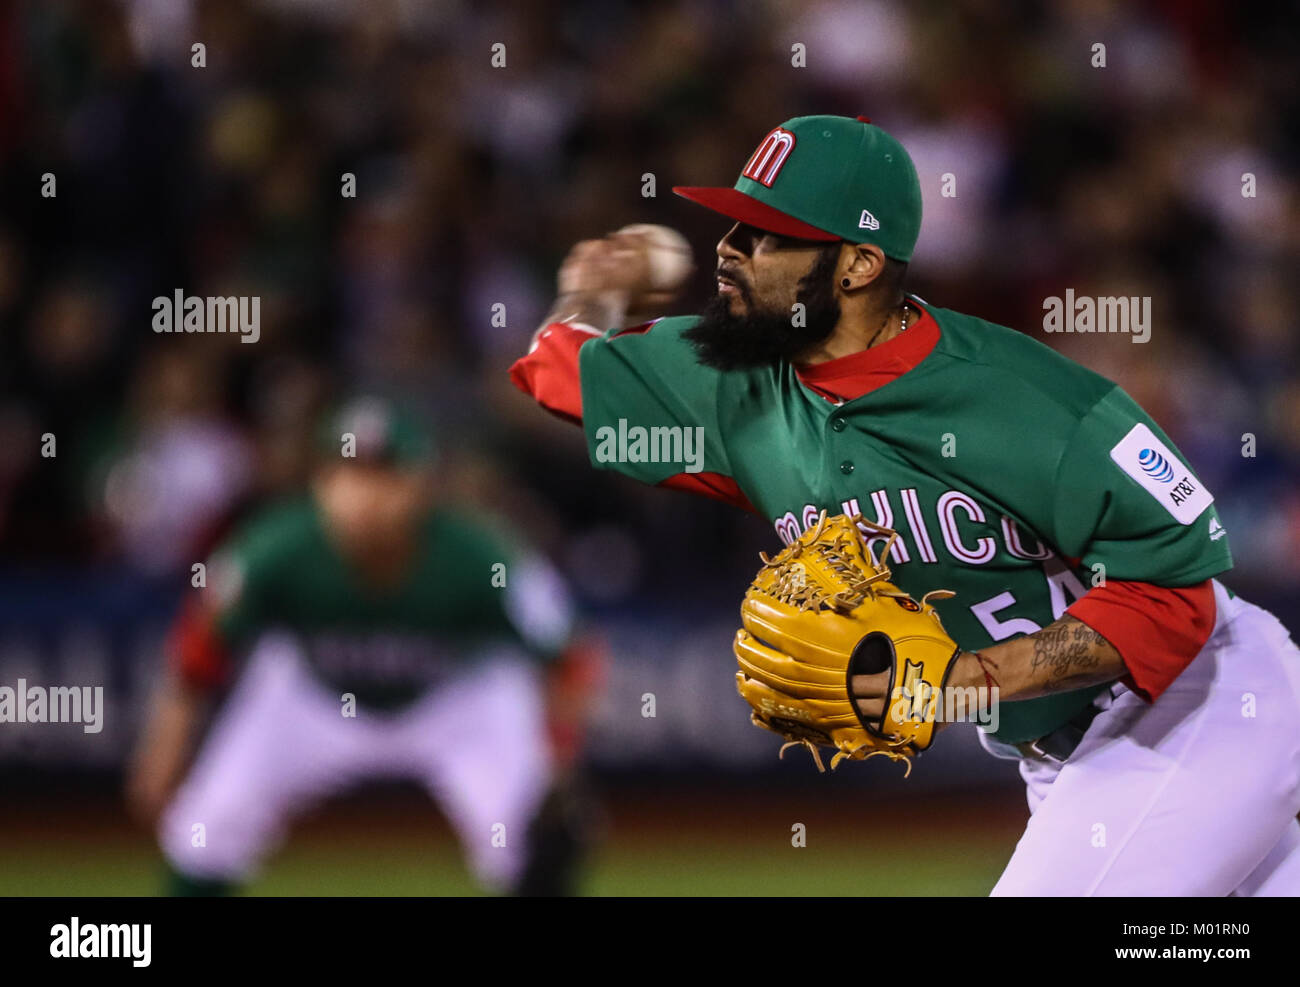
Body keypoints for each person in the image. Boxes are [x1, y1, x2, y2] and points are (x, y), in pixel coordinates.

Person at [510, 114, 1300, 896]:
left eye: (768, 233)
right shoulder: (730, 380)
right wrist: (589, 295)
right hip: (1063, 757)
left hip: (1197, 710)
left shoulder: (1028, 400)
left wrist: (964, 677)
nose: (729, 246)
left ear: (856, 265)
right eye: (735, 223)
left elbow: (1173, 594)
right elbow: (557, 373)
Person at [126, 396, 596, 895]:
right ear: (321, 483)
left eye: (385, 476)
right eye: (349, 475)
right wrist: (164, 747)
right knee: (207, 826)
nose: (366, 495)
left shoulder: (484, 557)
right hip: (310, 693)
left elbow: (569, 656)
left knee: (534, 839)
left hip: (458, 698)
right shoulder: (272, 550)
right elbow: (199, 651)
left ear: (421, 486)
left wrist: (557, 767)